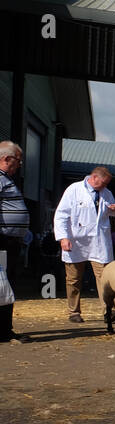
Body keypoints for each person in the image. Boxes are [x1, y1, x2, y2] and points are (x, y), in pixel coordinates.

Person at [54, 165, 115, 323]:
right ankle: (74, 312)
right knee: (74, 278)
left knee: (104, 276)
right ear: (93, 178)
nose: (105, 187)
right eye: (103, 183)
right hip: (76, 240)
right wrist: (63, 238)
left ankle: (109, 311)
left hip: (99, 241)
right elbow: (61, 215)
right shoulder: (74, 190)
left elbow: (110, 211)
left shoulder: (106, 193)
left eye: (106, 184)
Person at [0, 141, 31, 342]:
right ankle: (3, 331)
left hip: (9, 241)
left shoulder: (6, 179)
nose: (19, 165)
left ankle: (4, 330)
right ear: (6, 159)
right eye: (18, 160)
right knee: (3, 286)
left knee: (6, 285)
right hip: (2, 240)